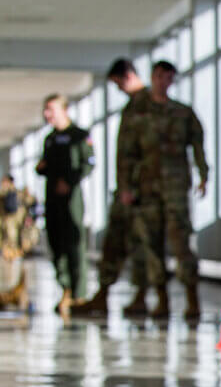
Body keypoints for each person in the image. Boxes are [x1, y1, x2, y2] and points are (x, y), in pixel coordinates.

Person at [118, 60, 208, 319]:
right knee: (151, 244)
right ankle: (162, 300)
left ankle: (192, 300)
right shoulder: (136, 112)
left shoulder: (183, 113)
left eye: (168, 77)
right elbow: (124, 153)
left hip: (176, 189)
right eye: (159, 76)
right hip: (146, 189)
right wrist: (124, 186)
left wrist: (204, 174)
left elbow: (198, 145)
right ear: (152, 77)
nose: (163, 82)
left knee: (182, 244)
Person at [73, 58, 153, 316]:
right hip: (127, 189)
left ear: (127, 76)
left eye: (118, 83)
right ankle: (103, 295)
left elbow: (145, 152)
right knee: (114, 242)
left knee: (140, 244)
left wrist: (135, 187)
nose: (118, 89)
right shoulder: (132, 106)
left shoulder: (150, 106)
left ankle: (140, 296)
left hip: (142, 192)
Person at [36, 93, 95, 316]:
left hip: (72, 197)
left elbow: (88, 163)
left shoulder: (79, 136)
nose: (47, 114)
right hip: (52, 196)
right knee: (55, 243)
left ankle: (79, 294)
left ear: (64, 110)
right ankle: (66, 288)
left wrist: (69, 182)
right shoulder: (49, 138)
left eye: (51, 109)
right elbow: (44, 164)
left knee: (74, 243)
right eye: (46, 109)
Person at [0, 175, 31, 311]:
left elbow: (26, 225)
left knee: (16, 276)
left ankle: (17, 299)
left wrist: (25, 242)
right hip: (5, 248)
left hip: (14, 248)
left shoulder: (20, 198)